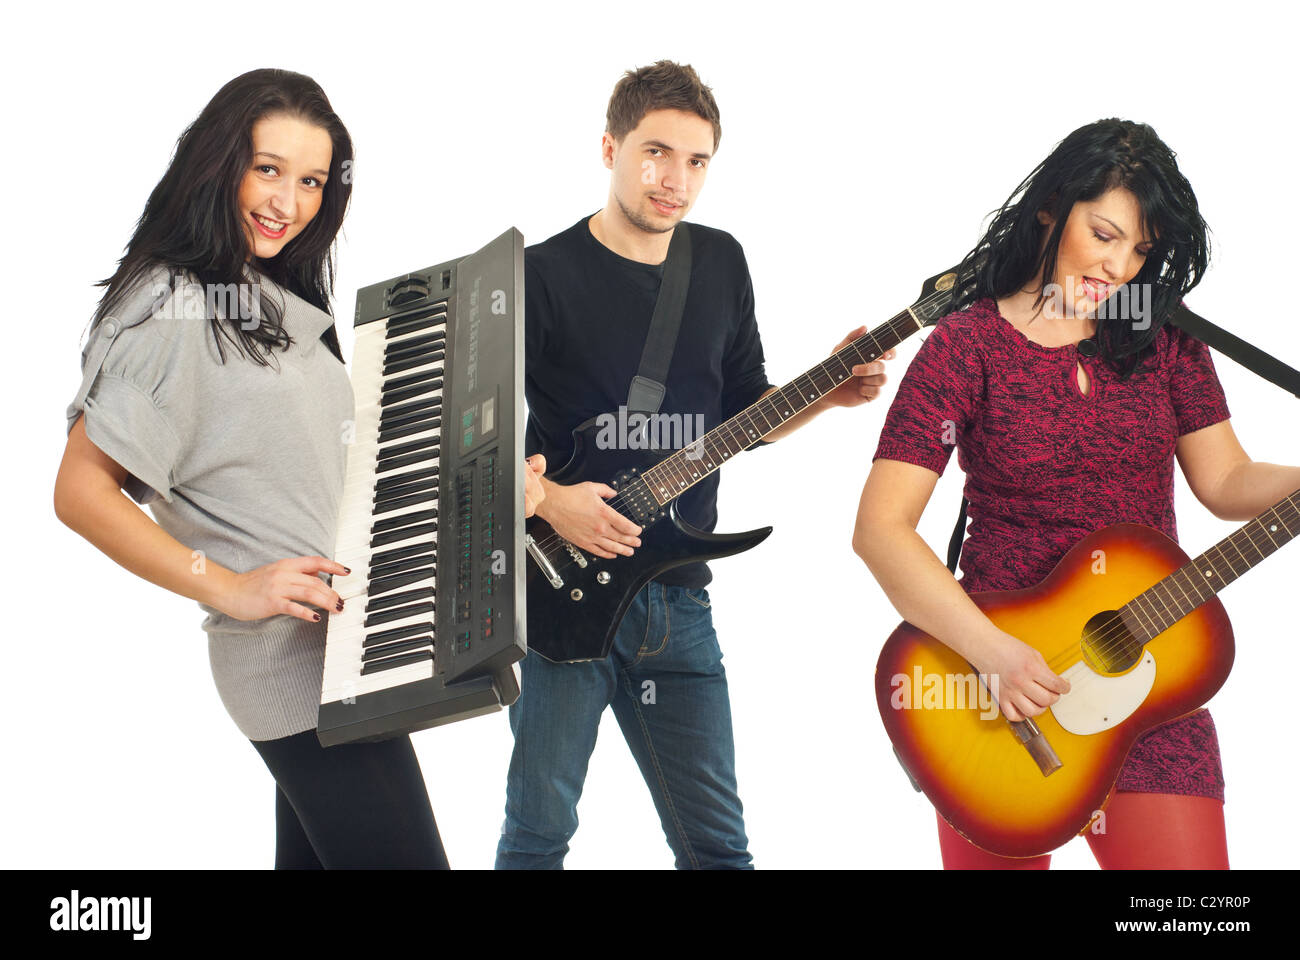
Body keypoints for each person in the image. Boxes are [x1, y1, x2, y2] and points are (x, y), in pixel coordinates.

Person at [52, 68, 543, 869]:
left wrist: (481, 482)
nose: (289, 201)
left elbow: (319, 472)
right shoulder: (169, 307)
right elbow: (80, 492)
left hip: (342, 652)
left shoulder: (258, 290)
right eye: (267, 168)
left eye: (312, 180)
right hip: (290, 667)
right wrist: (228, 585)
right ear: (217, 162)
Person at [853, 118, 1300, 869]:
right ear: (1051, 210)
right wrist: (991, 652)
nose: (1119, 267)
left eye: (1140, 250)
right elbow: (881, 529)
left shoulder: (1166, 342)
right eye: (1103, 234)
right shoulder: (966, 347)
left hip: (1154, 677)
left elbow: (1225, 481)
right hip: (996, 694)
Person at [496, 61, 892, 869]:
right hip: (561, 596)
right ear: (609, 147)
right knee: (539, 837)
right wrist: (546, 502)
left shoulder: (719, 263)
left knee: (718, 847)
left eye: (697, 161)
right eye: (655, 152)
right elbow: (471, 445)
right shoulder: (540, 275)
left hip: (678, 601)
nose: (674, 179)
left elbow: (744, 410)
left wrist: (827, 391)